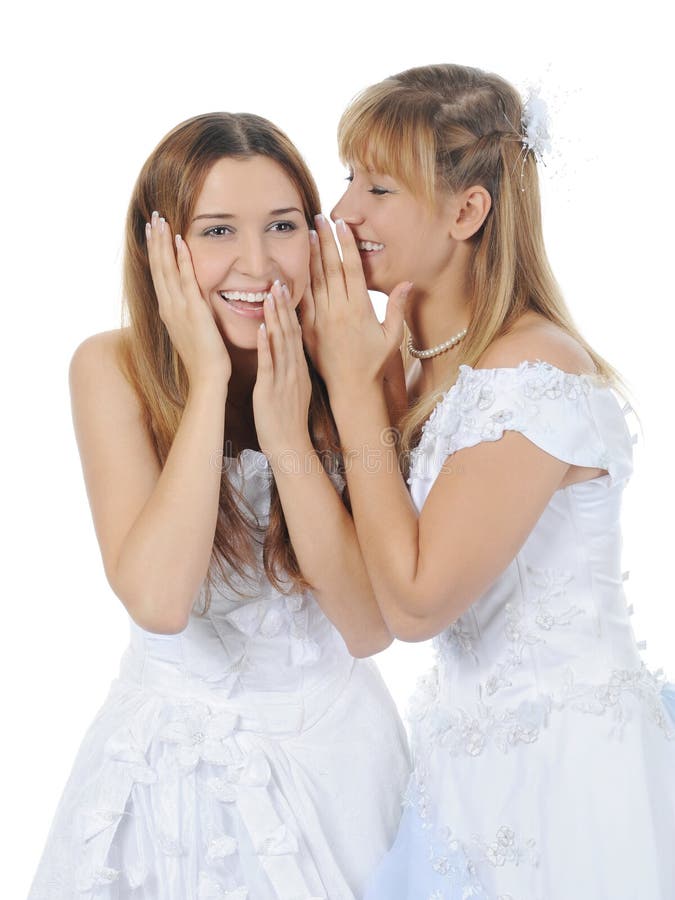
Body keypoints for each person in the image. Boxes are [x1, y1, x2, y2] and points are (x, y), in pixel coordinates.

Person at [302, 64, 675, 898]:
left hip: (561, 777)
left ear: (467, 212)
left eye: (378, 186)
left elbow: (416, 603)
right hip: (462, 762)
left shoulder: (530, 371)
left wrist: (358, 398)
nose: (344, 212)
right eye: (348, 179)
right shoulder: (422, 361)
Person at [27, 112, 409, 900]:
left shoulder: (354, 358)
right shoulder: (111, 367)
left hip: (339, 763)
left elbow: (370, 627)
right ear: (158, 247)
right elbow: (159, 601)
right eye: (216, 231)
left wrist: (291, 431)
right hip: (173, 777)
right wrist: (205, 383)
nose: (257, 262)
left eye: (282, 226)